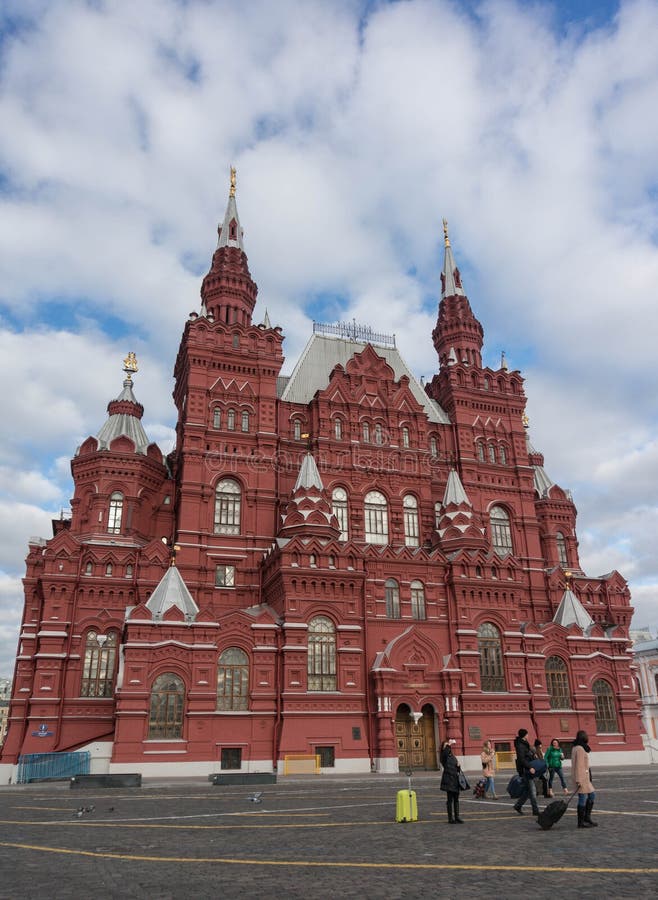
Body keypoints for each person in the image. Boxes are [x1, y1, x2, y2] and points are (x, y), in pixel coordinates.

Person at [572, 730, 598, 828]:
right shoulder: (579, 749)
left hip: (585, 778)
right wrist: (579, 780)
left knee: (592, 795)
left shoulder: (578, 747)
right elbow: (579, 765)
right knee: (582, 798)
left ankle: (587, 818)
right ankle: (581, 822)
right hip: (581, 778)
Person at [512, 728, 540, 816]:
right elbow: (521, 759)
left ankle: (518, 806)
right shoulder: (520, 745)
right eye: (527, 734)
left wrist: (532, 755)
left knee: (528, 791)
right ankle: (535, 810)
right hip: (526, 770)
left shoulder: (524, 744)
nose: (528, 736)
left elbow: (526, 755)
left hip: (527, 769)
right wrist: (529, 767)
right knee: (532, 790)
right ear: (524, 735)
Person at [440, 739, 464, 823]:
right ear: (443, 748)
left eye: (448, 746)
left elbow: (457, 768)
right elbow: (446, 753)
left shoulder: (452, 756)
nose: (448, 747)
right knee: (450, 800)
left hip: (455, 779)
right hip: (448, 779)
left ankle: (457, 817)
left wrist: (458, 766)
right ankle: (450, 818)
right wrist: (449, 744)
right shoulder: (443, 755)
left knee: (456, 799)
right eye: (446, 746)